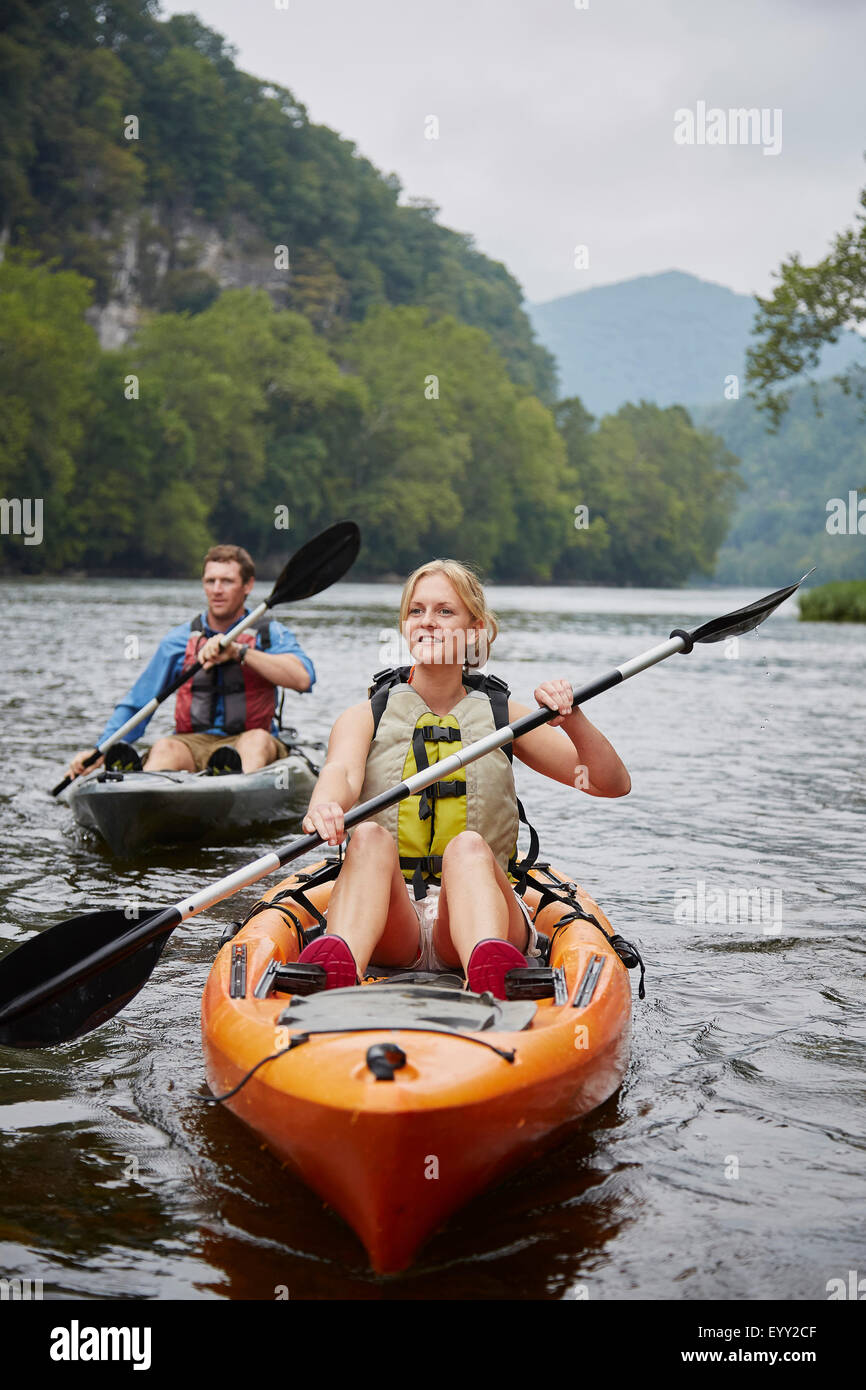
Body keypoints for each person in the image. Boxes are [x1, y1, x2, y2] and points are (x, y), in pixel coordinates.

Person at [299, 558, 630, 1000]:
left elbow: (610, 783)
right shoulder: (367, 716)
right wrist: (325, 804)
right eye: (416, 611)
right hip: (395, 925)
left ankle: (489, 977)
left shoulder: (504, 717)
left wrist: (572, 719)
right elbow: (340, 772)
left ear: (474, 629)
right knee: (368, 839)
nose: (427, 622)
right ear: (404, 624)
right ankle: (338, 980)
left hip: (477, 918)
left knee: (468, 846)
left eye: (444, 611)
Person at [67, 545, 315, 778]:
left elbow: (302, 678)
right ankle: (141, 798)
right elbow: (138, 705)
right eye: (210, 581)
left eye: (227, 581)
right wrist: (99, 750)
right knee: (165, 747)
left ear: (247, 585)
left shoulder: (269, 634)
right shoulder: (178, 640)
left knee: (256, 741)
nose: (217, 589)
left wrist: (239, 652)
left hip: (249, 740)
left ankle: (236, 792)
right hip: (191, 743)